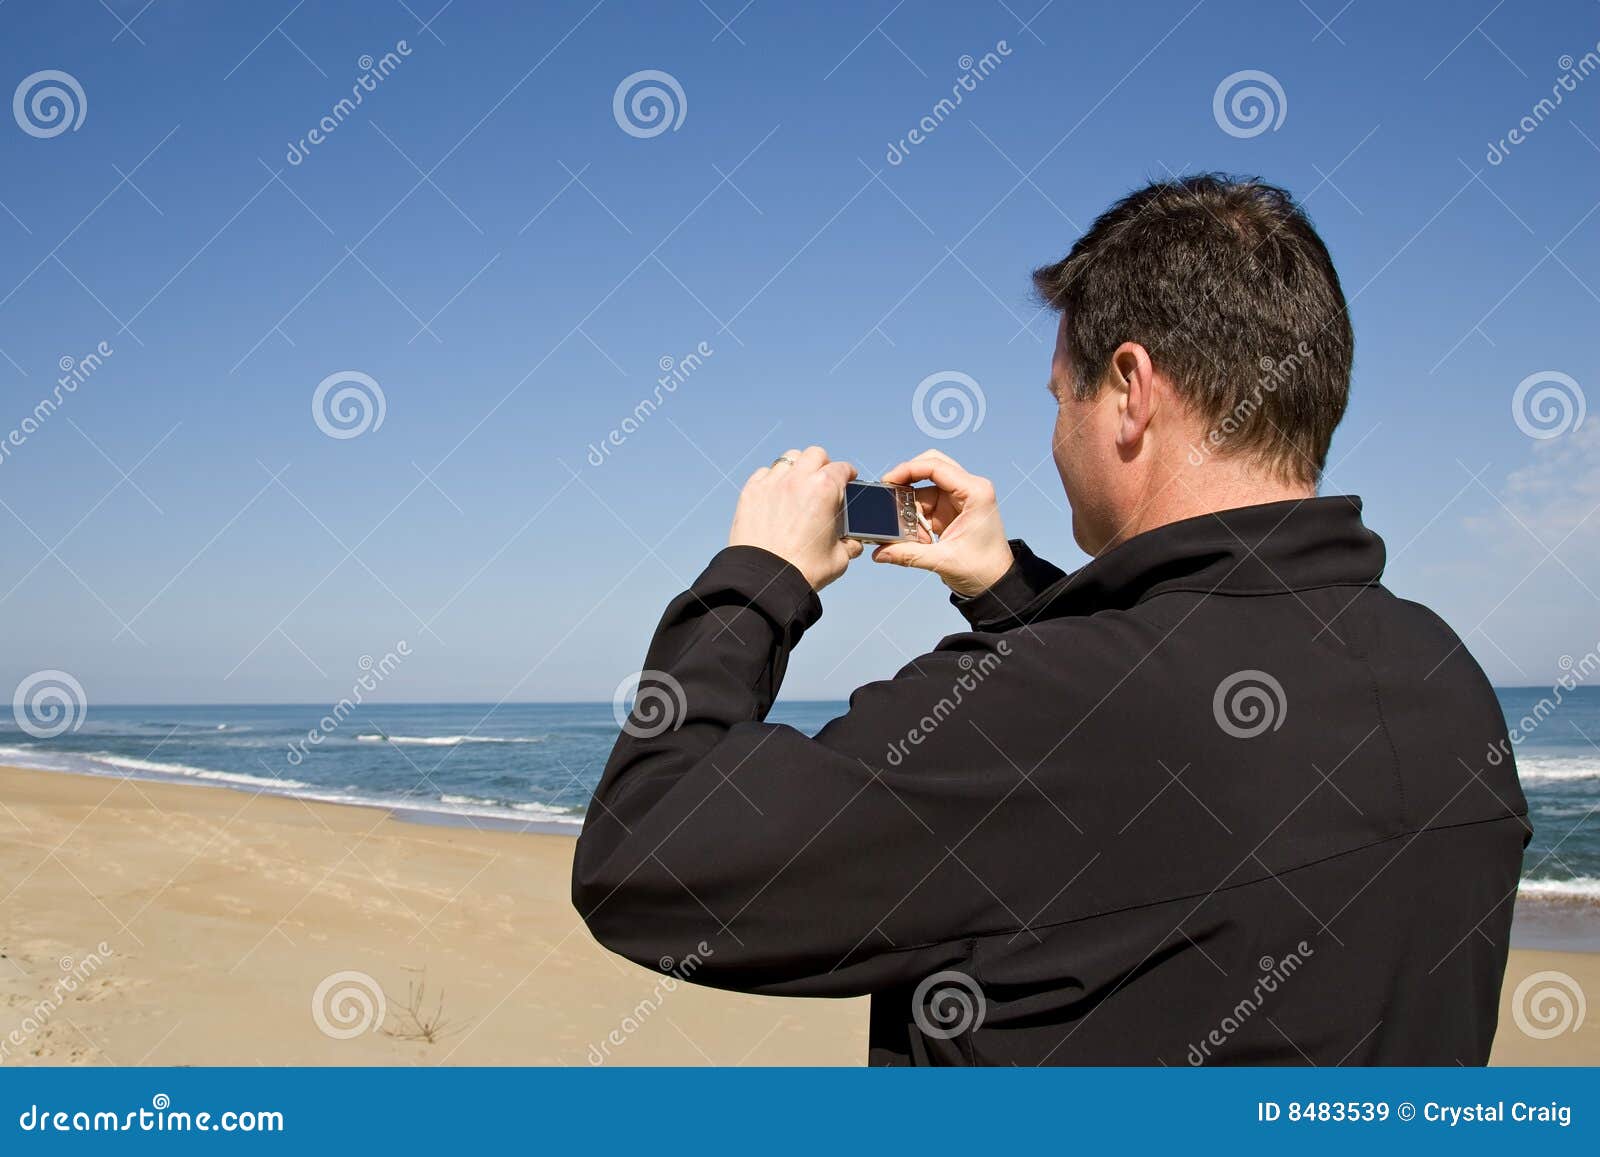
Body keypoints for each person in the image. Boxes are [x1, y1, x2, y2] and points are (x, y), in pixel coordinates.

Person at [570, 174, 1530, 1065]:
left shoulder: (1045, 710)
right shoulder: (1445, 678)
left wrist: (758, 577)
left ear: (1131, 391)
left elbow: (644, 860)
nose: (1058, 432)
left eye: (1062, 396)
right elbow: (1144, 801)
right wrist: (1010, 590)